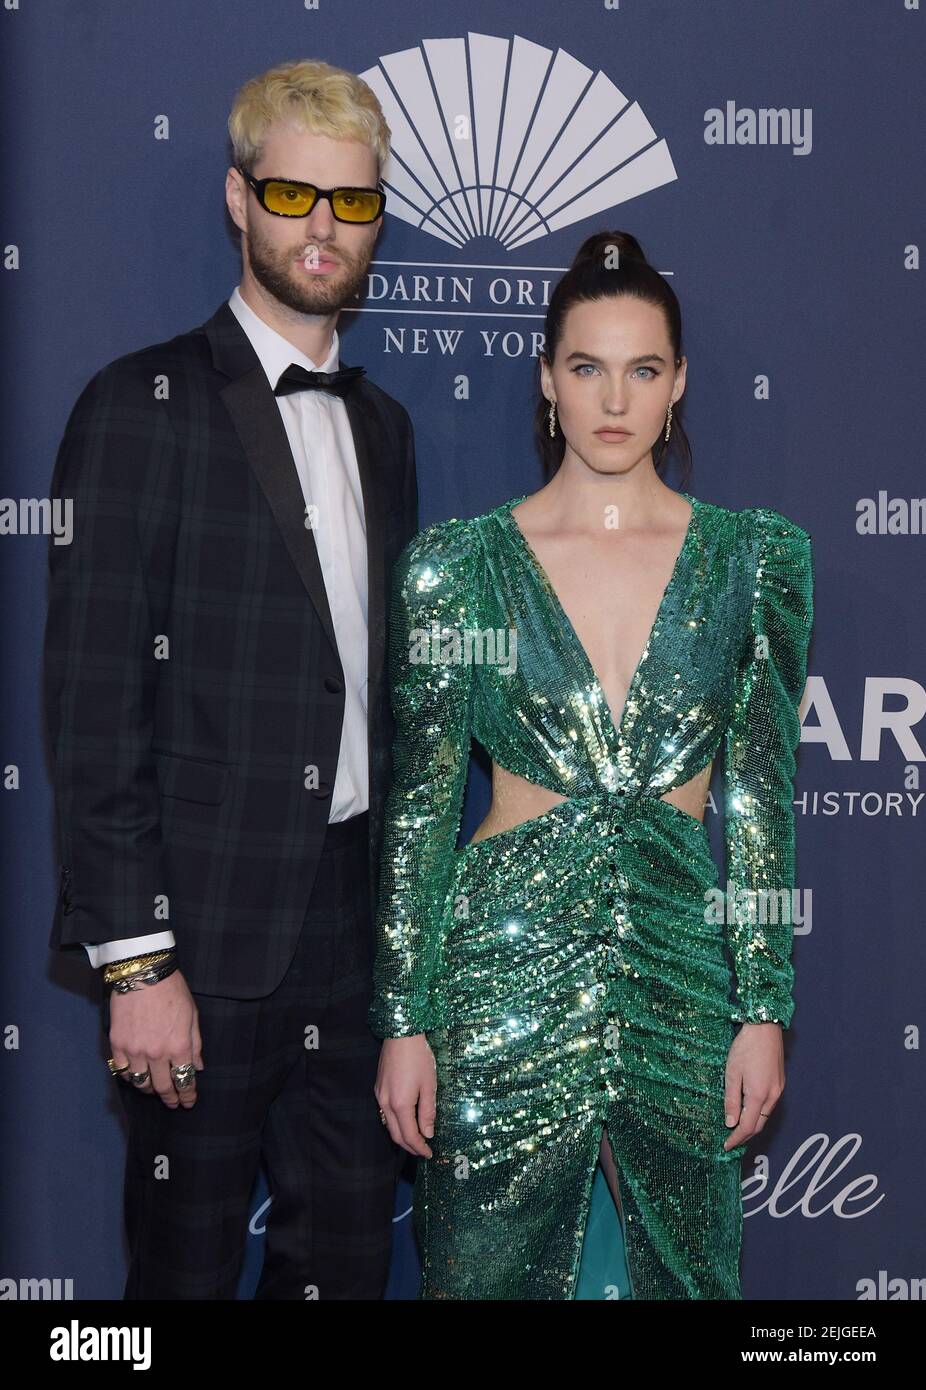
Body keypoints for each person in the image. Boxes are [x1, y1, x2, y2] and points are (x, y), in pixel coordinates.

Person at [369, 230, 814, 1300]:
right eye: (585, 366)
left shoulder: (757, 560)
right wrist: (403, 1019)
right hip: (498, 977)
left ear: (677, 385)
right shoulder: (456, 569)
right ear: (545, 381)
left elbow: (757, 799)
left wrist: (762, 1007)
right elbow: (423, 807)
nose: (613, 398)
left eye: (642, 368)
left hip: (680, 977)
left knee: (686, 1278)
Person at [43, 59, 416, 1299]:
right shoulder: (136, 406)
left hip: (354, 935)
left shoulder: (384, 428)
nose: (322, 226)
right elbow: (94, 707)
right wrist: (138, 966)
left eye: (351, 202)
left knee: (346, 1270)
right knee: (182, 1279)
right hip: (195, 940)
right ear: (237, 197)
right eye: (294, 193)